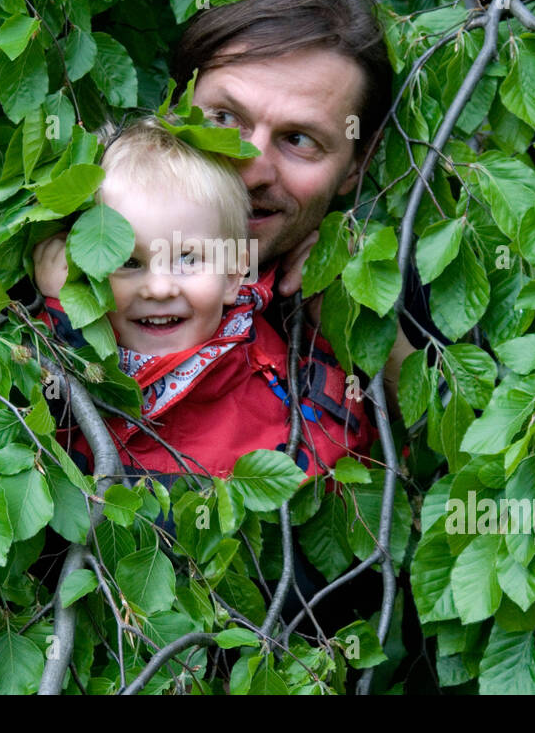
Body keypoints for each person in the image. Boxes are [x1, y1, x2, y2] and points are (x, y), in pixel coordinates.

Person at [32, 116, 372, 479]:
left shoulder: (273, 380)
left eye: (187, 259)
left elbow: (339, 452)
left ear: (231, 274)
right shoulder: (53, 352)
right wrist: (65, 312)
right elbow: (40, 426)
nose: (159, 288)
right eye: (128, 262)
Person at [168, 0, 443, 412]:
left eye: (299, 139)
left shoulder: (403, 294)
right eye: (223, 119)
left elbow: (467, 460)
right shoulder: (69, 247)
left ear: (356, 166)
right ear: (175, 109)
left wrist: (371, 337)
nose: (252, 169)